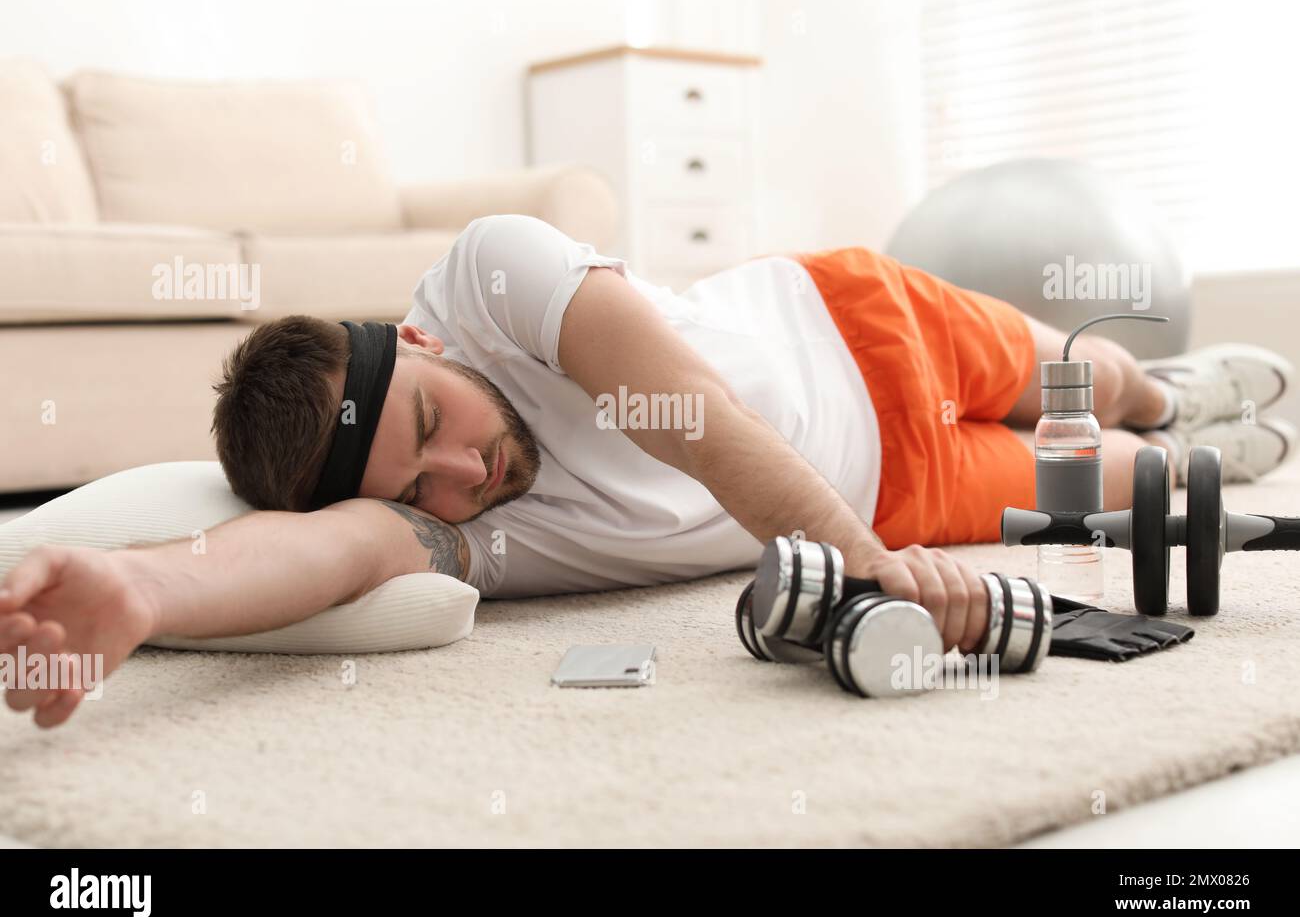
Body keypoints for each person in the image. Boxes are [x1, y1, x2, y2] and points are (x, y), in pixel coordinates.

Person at [1, 214, 1293, 728]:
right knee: (1128, 479)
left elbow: (696, 420)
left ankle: (1173, 389)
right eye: (415, 489)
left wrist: (866, 571)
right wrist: (146, 590)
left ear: (421, 343)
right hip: (887, 493)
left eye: (438, 418)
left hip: (857, 325)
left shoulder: (489, 278)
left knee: (1096, 383)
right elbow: (324, 553)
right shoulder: (458, 536)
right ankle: (1185, 446)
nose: (463, 469)